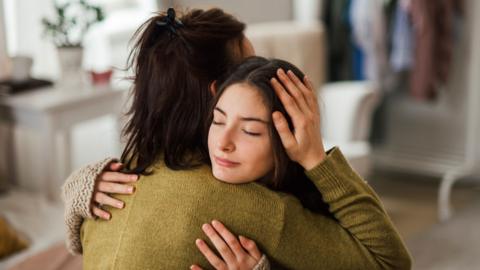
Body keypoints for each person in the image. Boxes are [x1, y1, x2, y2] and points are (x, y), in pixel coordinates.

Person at [62, 8, 412, 270]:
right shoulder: (247, 206)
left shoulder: (118, 174)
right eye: (247, 65)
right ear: (218, 92)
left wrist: (73, 188)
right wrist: (318, 161)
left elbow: (78, 244)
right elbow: (389, 262)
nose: (256, 75)